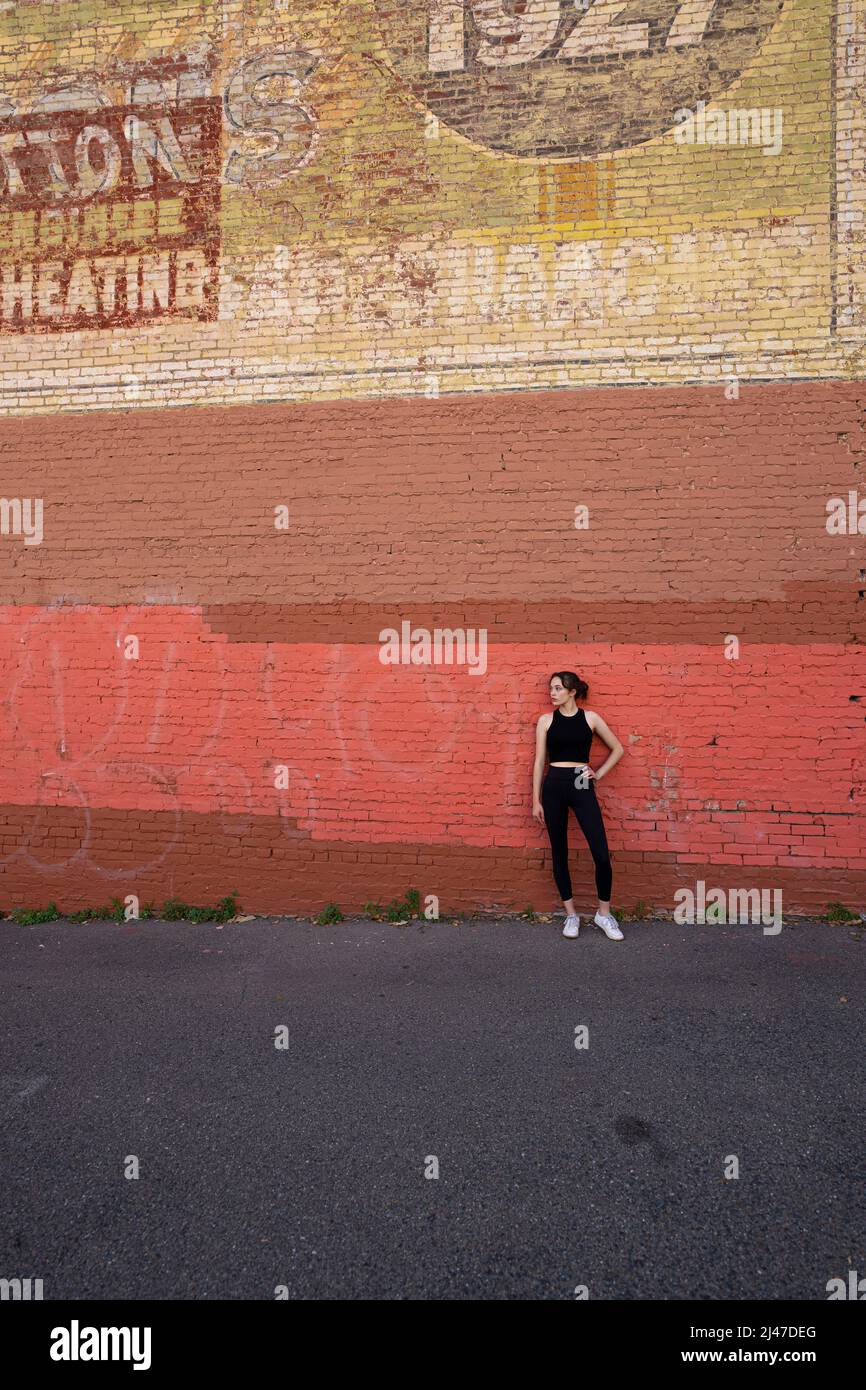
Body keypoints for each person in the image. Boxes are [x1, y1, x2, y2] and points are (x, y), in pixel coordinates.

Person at [532, 671, 625, 940]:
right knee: (559, 852)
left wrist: (598, 773)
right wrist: (535, 799)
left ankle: (604, 915)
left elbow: (617, 749)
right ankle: (571, 915)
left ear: (572, 692)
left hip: (582, 784)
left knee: (601, 854)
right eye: (551, 688)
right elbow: (539, 762)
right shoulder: (545, 721)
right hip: (554, 785)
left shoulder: (591, 718)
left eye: (558, 688)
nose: (552, 693)